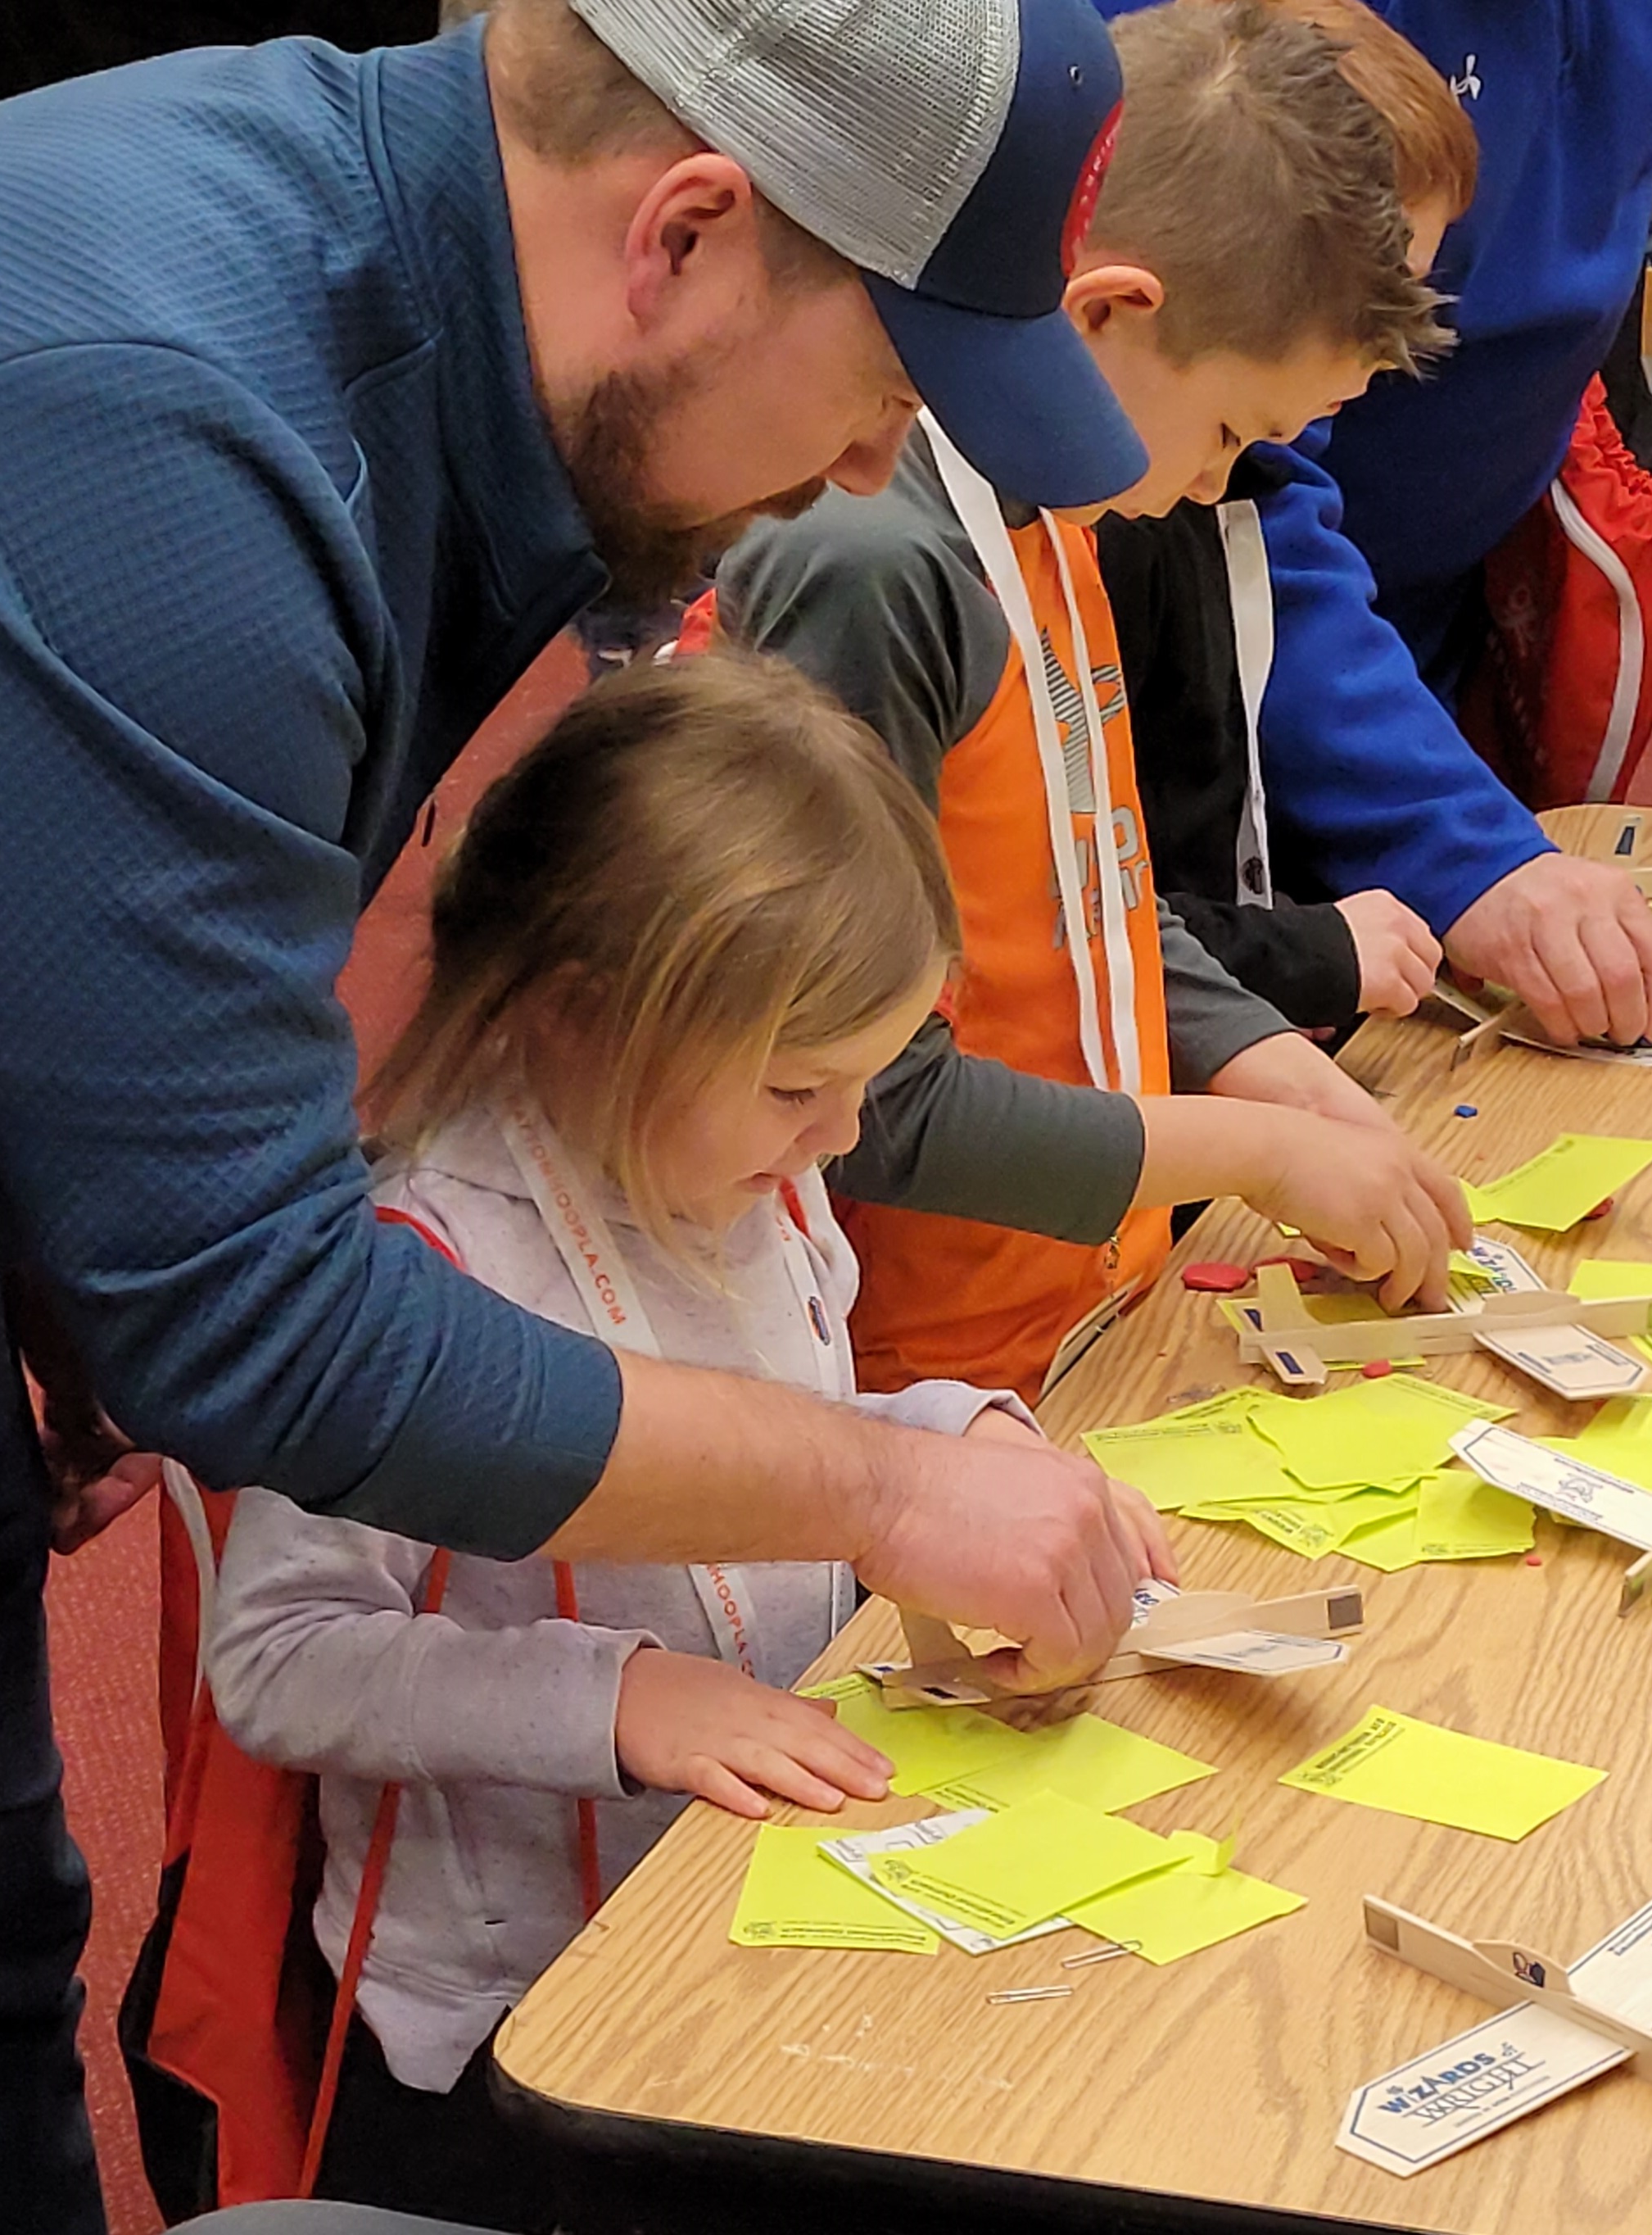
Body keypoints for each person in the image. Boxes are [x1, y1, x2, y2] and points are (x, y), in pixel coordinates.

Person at [0, 3, 1172, 2226]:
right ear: (684, 234)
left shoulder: (429, 348)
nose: (861, 479)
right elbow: (269, 1333)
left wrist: (64, 1229)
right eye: (886, 392)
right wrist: (884, 1490)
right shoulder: (172, 420)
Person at [201, 653, 1052, 2229]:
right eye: (798, 1084)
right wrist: (621, 1697)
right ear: (587, 1017)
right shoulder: (415, 1271)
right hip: (502, 2049)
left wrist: (946, 1435)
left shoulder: (759, 1181)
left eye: (864, 1082)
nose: (841, 1137)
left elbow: (780, 1448)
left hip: (738, 1939)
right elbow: (277, 1656)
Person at [718, 0, 1473, 1404]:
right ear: (1107, 313)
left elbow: (1096, 906)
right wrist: (1254, 1155)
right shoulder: (873, 563)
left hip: (1084, 1329)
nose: (1217, 484)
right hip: (905, 1376)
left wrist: (1270, 1068)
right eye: (1232, 432)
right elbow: (860, 1102)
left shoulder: (1064, 507)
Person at [1093, 0, 1652, 1051]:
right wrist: (1437, 862)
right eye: (1249, 429)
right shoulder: (1134, 494)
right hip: (1251, 688)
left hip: (1376, 672)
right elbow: (1045, 948)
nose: (1355, 386)